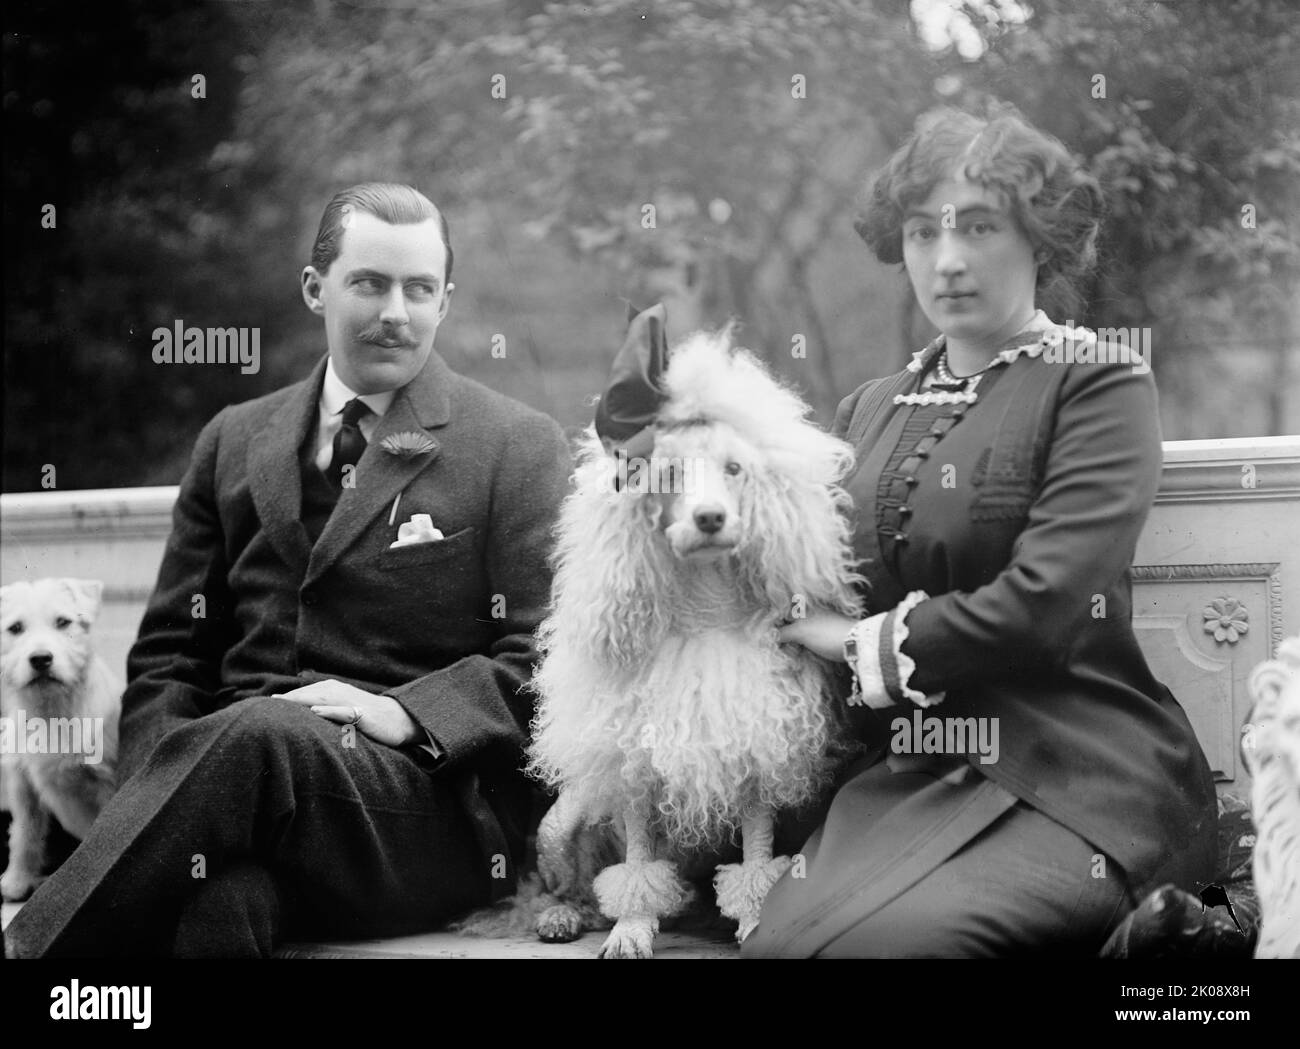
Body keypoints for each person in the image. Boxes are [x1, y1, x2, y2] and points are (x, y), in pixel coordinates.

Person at [4, 182, 571, 957]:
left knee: (262, 734)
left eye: (419, 288)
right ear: (316, 288)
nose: (395, 311)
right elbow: (170, 656)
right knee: (218, 908)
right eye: (369, 282)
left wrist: (408, 713)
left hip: (420, 813)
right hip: (238, 800)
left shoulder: (516, 443)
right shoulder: (233, 440)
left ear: (447, 300)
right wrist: (164, 790)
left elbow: (546, 660)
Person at [743, 107, 1217, 957]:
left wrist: (855, 644)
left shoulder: (1099, 382)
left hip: (1078, 768)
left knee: (902, 947)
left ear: (1040, 239)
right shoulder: (870, 408)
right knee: (780, 945)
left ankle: (1174, 932)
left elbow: (1045, 603)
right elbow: (806, 570)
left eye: (980, 226)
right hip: (912, 773)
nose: (948, 258)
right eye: (923, 232)